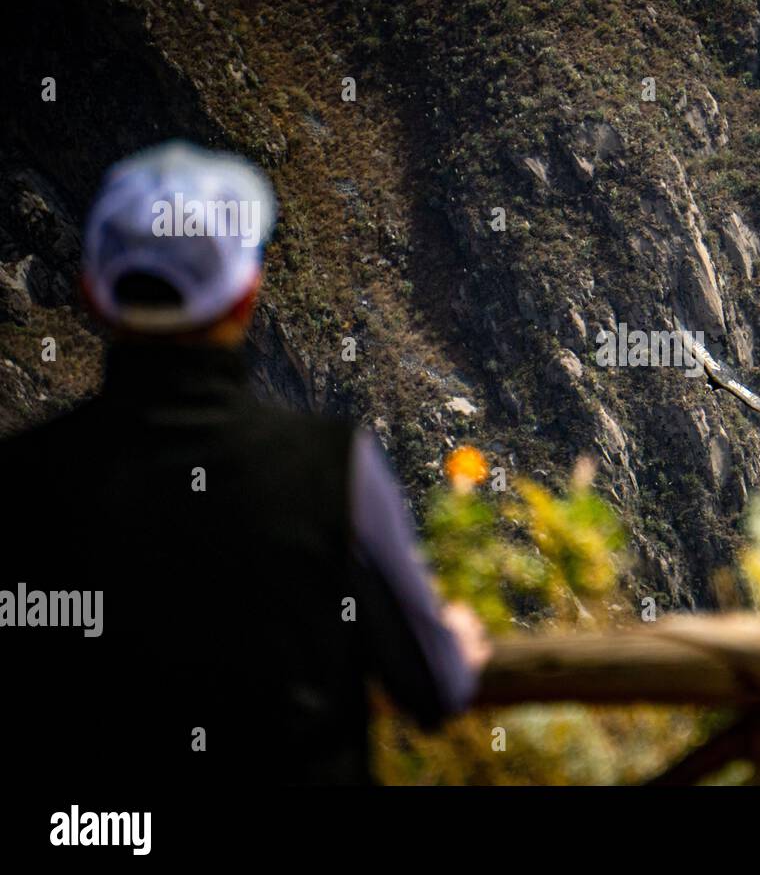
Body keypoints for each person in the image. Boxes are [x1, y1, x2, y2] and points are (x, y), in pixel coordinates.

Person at [0, 141, 491, 785]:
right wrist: (454, 633)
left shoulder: (24, 479)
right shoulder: (331, 468)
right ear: (245, 300)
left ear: (94, 295)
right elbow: (433, 686)